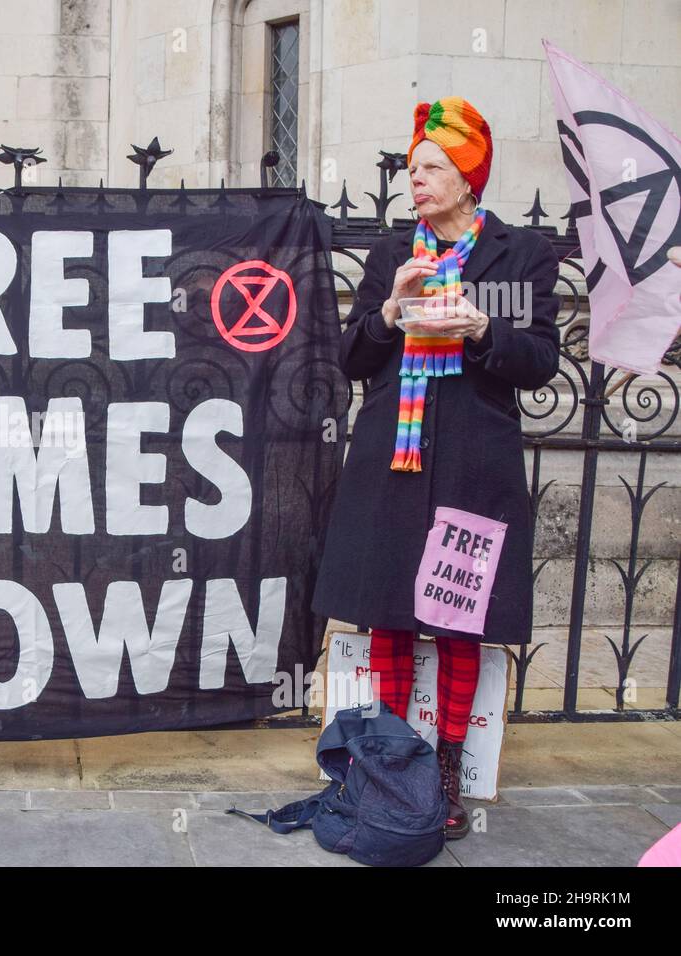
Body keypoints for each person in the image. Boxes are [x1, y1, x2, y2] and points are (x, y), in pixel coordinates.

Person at [311, 97, 563, 839]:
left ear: (467, 175)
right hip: (394, 455)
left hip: (471, 460)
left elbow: (541, 361)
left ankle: (446, 763)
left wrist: (483, 326)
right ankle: (390, 759)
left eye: (431, 167)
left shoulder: (522, 255)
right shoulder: (395, 253)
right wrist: (390, 313)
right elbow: (353, 356)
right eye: (413, 167)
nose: (415, 179)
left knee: (458, 614)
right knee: (387, 608)